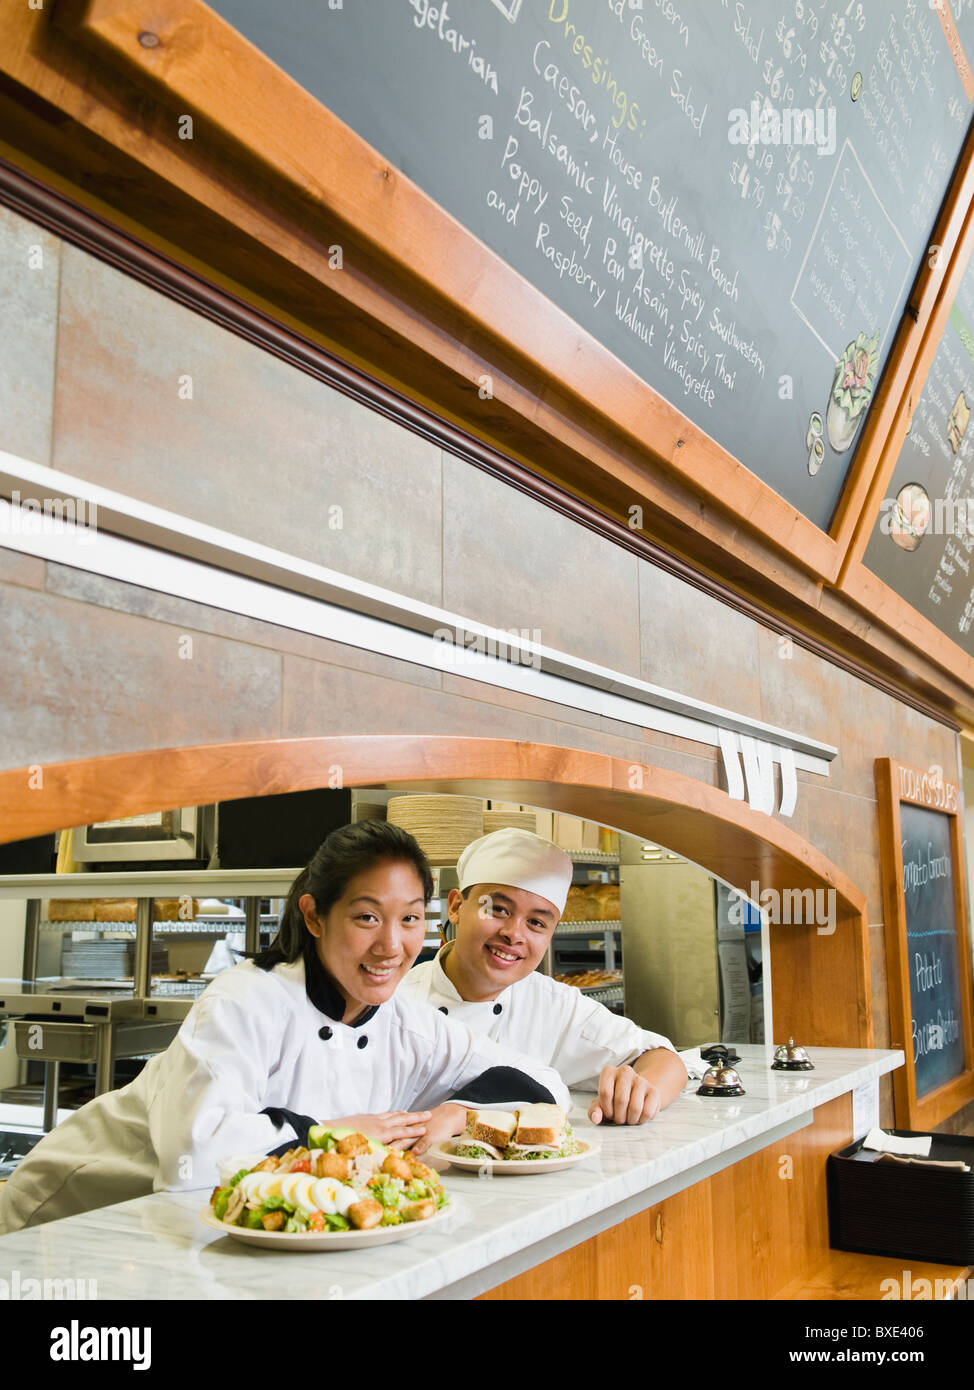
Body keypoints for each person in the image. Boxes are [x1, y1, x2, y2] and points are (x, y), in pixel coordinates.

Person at [0, 821, 568, 1233]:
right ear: (315, 915)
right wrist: (342, 1133)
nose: (392, 946)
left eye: (410, 919)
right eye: (367, 917)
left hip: (187, 1235)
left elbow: (540, 1084)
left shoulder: (406, 1020)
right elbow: (192, 1157)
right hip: (72, 1216)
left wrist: (459, 1115)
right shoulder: (246, 1000)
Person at [399, 827, 691, 1123]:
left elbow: (664, 1059)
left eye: (537, 923)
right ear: (456, 907)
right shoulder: (396, 999)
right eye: (498, 909)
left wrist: (638, 1093)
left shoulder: (553, 1004)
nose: (514, 934)